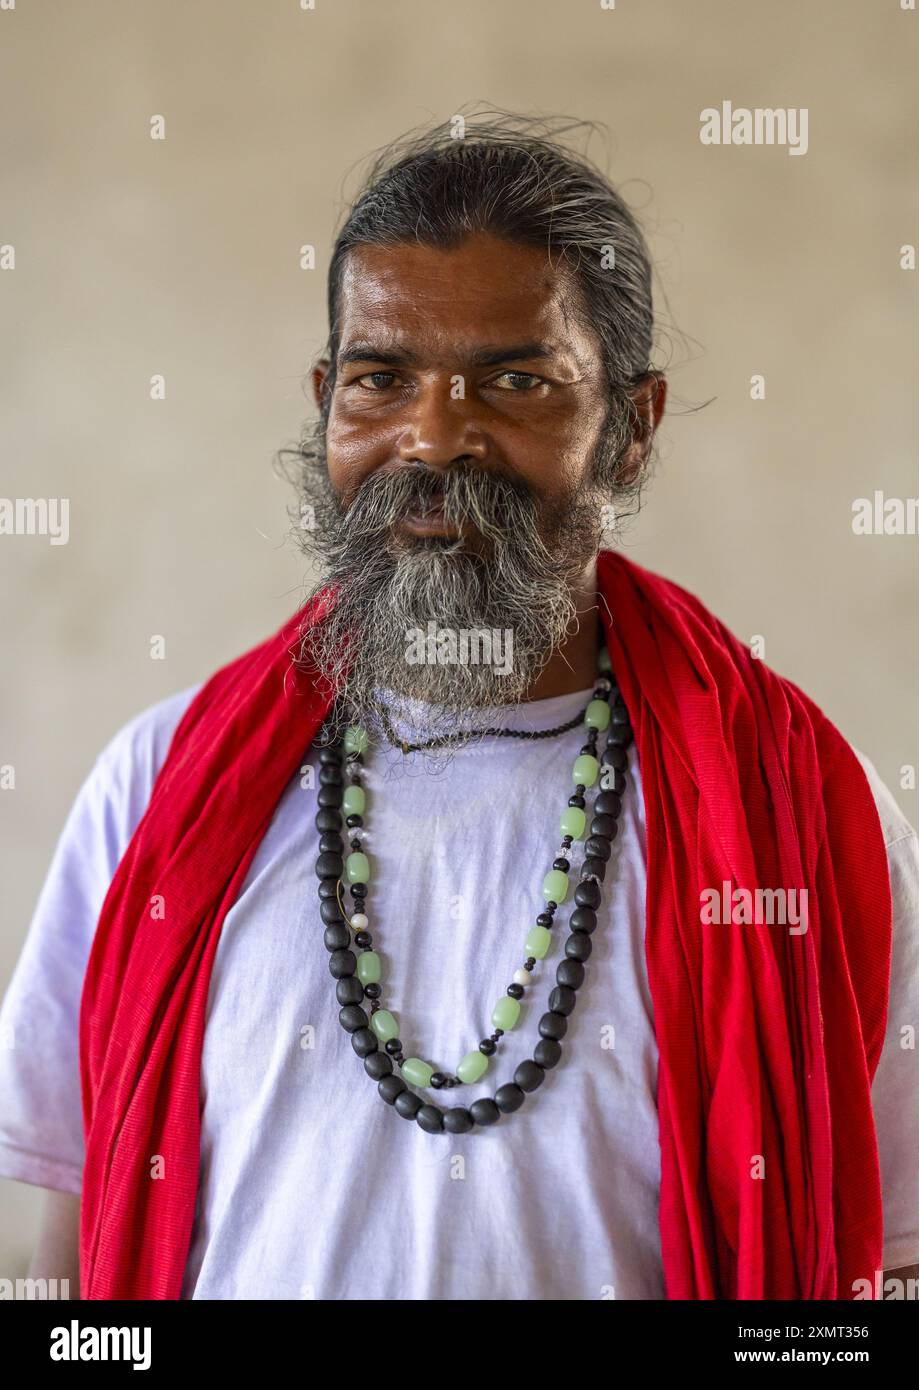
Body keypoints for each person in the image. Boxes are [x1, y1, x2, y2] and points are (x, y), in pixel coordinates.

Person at [2, 115, 917, 1301]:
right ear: (327, 400)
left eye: (517, 381)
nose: (433, 435)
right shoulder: (157, 786)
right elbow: (77, 1253)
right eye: (382, 378)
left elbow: (887, 1264)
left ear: (631, 432)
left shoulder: (804, 812)